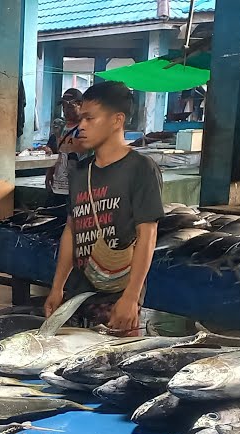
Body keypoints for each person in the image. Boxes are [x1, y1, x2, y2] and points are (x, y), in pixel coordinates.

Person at [43, 81, 163, 333]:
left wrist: (131, 297)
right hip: (78, 293)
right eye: (81, 118)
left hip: (117, 296)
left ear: (117, 120)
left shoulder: (140, 168)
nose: (81, 126)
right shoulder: (81, 172)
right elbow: (71, 231)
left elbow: (147, 235)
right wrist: (57, 288)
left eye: (89, 118)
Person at [45, 88, 85, 206]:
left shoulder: (85, 129)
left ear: (81, 106)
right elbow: (57, 154)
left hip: (76, 186)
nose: (66, 111)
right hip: (59, 184)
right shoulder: (61, 129)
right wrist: (49, 173)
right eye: (64, 106)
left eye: (70, 107)